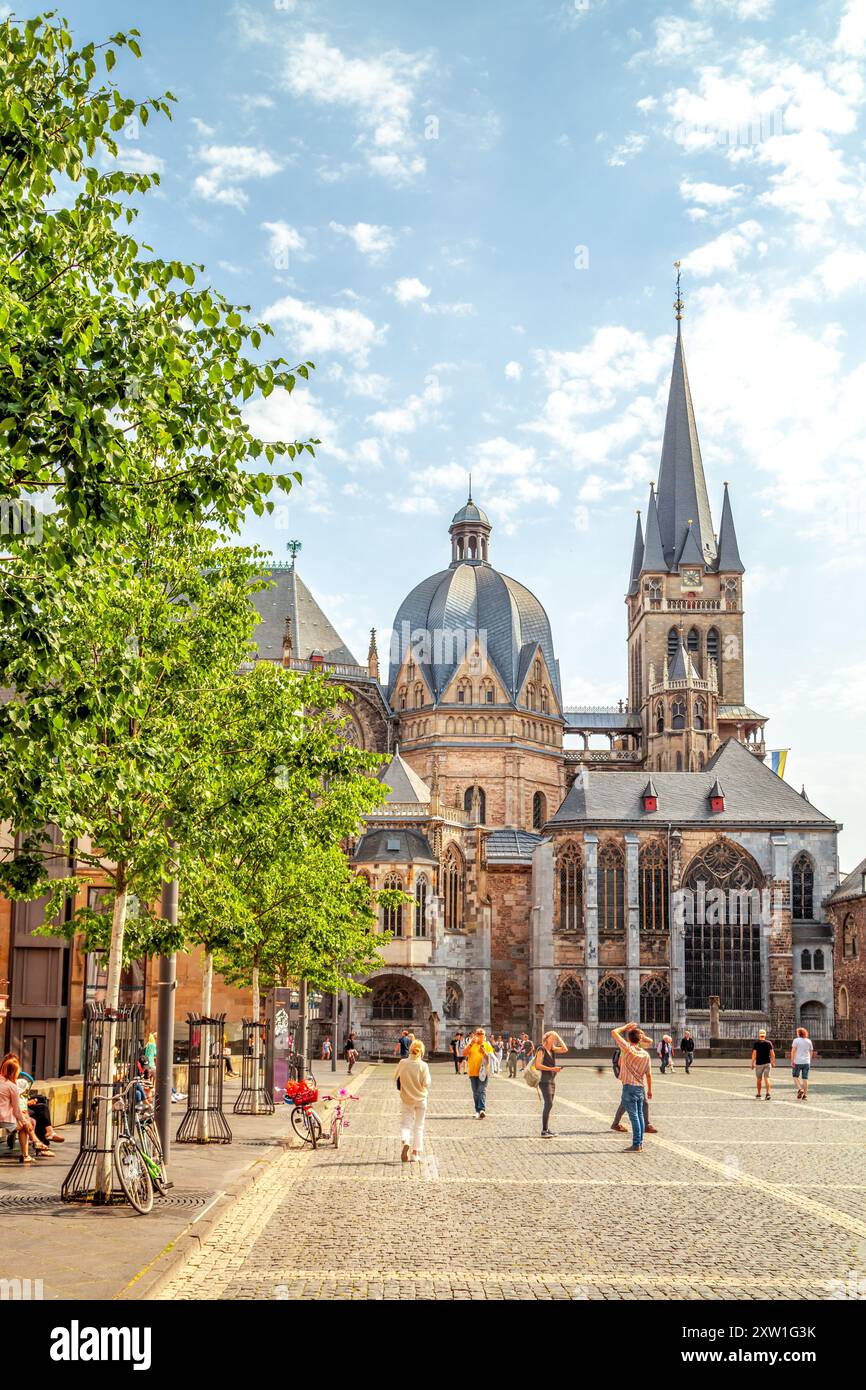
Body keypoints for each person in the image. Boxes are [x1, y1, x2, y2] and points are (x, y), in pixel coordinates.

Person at [611, 1022, 653, 1153]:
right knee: (640, 1116)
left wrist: (625, 1026)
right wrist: (650, 1090)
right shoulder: (646, 1054)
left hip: (629, 1087)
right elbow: (649, 1074)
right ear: (639, 1039)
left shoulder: (628, 1049)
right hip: (640, 1087)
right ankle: (639, 1143)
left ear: (629, 1039)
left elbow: (614, 1032)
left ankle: (636, 1144)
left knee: (634, 1116)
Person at [0, 1058, 52, 1163]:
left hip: (3, 1117)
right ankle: (27, 1154)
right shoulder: (12, 1087)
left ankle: (35, 1142)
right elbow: (16, 1110)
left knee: (25, 1121)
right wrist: (24, 1122)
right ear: (14, 1072)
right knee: (25, 1125)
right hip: (4, 1119)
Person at [395, 1038, 431, 1163]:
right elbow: (426, 1083)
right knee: (419, 1126)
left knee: (406, 1124)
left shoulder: (402, 1062)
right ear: (422, 1051)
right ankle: (415, 1154)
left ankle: (405, 1140)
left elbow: (395, 1077)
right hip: (421, 1099)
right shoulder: (423, 1065)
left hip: (406, 1099)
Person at [535, 1031, 568, 1137]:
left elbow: (565, 1049)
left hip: (551, 1079)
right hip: (544, 1080)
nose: (554, 1040)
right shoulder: (541, 1049)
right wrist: (552, 1068)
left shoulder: (552, 1049)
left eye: (555, 1039)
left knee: (549, 1105)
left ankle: (546, 1129)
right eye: (553, 1038)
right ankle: (544, 1131)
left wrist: (558, 1036)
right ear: (547, 1038)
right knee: (548, 1103)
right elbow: (537, 1065)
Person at [462, 1028, 495, 1118]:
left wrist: (484, 1053)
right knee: (475, 1092)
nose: (480, 1036)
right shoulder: (471, 1044)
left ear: (484, 1036)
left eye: (481, 1034)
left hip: (483, 1073)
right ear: (475, 1035)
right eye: (478, 1034)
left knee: (481, 1090)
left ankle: (481, 1110)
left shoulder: (487, 1045)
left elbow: (490, 1060)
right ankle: (477, 1110)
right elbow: (464, 1054)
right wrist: (471, 1044)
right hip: (473, 1072)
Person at [791, 1027, 815, 1100]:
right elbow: (811, 1051)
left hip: (798, 1061)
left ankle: (800, 1089)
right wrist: (809, 1059)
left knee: (795, 1076)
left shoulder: (796, 1040)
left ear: (799, 1033)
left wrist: (792, 1060)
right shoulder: (808, 1041)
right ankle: (805, 1095)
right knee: (805, 1078)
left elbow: (793, 1051)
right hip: (806, 1062)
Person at [751, 1028, 775, 1100]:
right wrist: (773, 1062)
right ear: (765, 1035)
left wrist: (752, 1063)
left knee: (759, 1079)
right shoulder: (769, 1043)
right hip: (767, 1063)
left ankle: (759, 1094)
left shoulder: (756, 1043)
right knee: (767, 1078)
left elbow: (754, 1054)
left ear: (759, 1035)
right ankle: (768, 1094)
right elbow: (772, 1054)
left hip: (759, 1064)